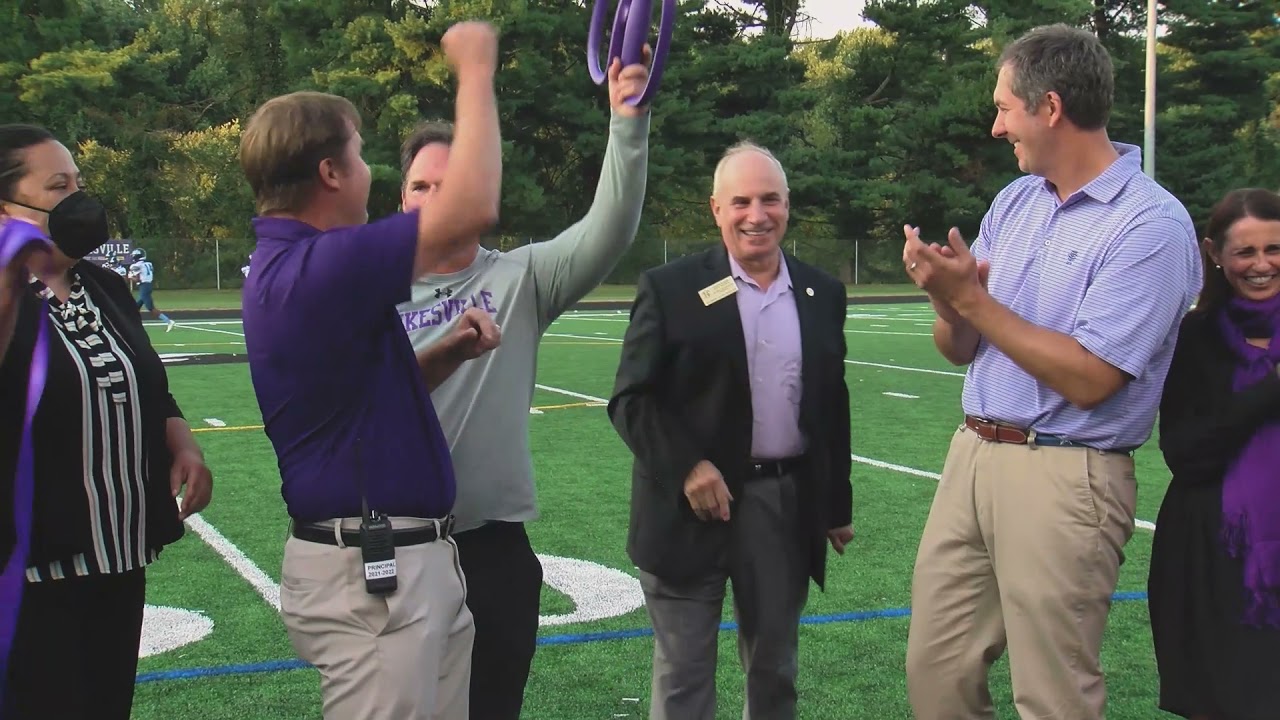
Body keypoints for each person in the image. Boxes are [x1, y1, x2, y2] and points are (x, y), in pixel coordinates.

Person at [900, 24, 1203, 720]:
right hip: (972, 453)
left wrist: (972, 300)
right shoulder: (1016, 201)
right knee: (936, 671)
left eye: (1005, 108)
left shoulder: (1150, 225)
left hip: (1068, 470)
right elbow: (959, 347)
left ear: (1051, 108)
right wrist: (948, 297)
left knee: (1052, 695)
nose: (996, 126)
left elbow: (1093, 378)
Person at [237, 20, 504, 720]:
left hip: (401, 567)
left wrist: (448, 353)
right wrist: (475, 68)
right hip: (377, 575)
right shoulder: (316, 266)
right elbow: (471, 208)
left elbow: (361, 401)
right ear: (329, 172)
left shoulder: (297, 268)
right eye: (359, 155)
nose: (369, 173)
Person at [394, 52, 652, 718]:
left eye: (451, 184)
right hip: (392, 546)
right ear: (401, 199)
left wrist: (628, 121)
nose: (435, 198)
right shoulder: (364, 286)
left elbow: (609, 228)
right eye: (421, 186)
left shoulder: (519, 277)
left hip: (491, 549)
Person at [607, 141, 854, 720]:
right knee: (684, 676)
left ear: (788, 205)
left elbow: (831, 404)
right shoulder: (670, 289)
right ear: (716, 209)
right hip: (685, 510)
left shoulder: (822, 293)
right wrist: (687, 466)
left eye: (770, 200)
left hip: (780, 504)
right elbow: (630, 399)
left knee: (774, 670)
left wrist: (834, 505)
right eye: (740, 202)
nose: (756, 215)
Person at [0, 123, 213, 719]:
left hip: (119, 554)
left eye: (79, 183)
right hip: (30, 570)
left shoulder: (105, 286)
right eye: (58, 187)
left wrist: (183, 443)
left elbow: (148, 385)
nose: (79, 200)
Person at [1148, 187, 1280, 720]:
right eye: (1245, 251)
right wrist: (1270, 391)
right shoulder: (1196, 336)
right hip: (1216, 553)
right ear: (1215, 254)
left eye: (1274, 248)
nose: (1261, 265)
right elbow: (1185, 453)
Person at [126, 247, 175, 331]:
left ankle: (168, 321)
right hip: (148, 285)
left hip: (144, 286)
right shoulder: (148, 264)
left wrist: (130, 277)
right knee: (135, 307)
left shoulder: (136, 265)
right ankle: (133, 324)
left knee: (150, 308)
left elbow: (137, 279)